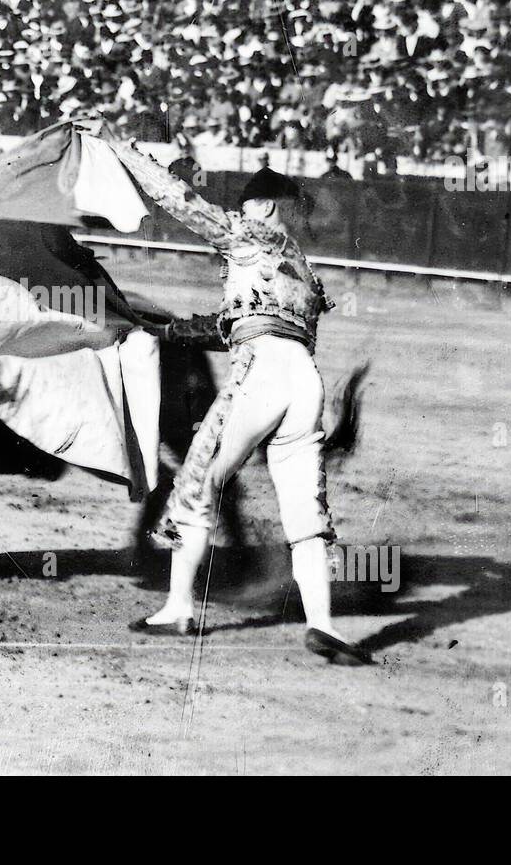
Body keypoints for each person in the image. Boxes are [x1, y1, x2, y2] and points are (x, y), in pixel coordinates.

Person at [112, 144, 372, 666]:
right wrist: (168, 329)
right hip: (305, 382)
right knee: (306, 515)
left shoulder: (252, 235)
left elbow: (178, 199)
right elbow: (236, 325)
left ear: (266, 208)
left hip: (261, 374)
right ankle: (324, 626)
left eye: (248, 205)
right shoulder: (302, 271)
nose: (239, 213)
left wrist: (117, 145)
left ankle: (178, 607)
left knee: (197, 482)